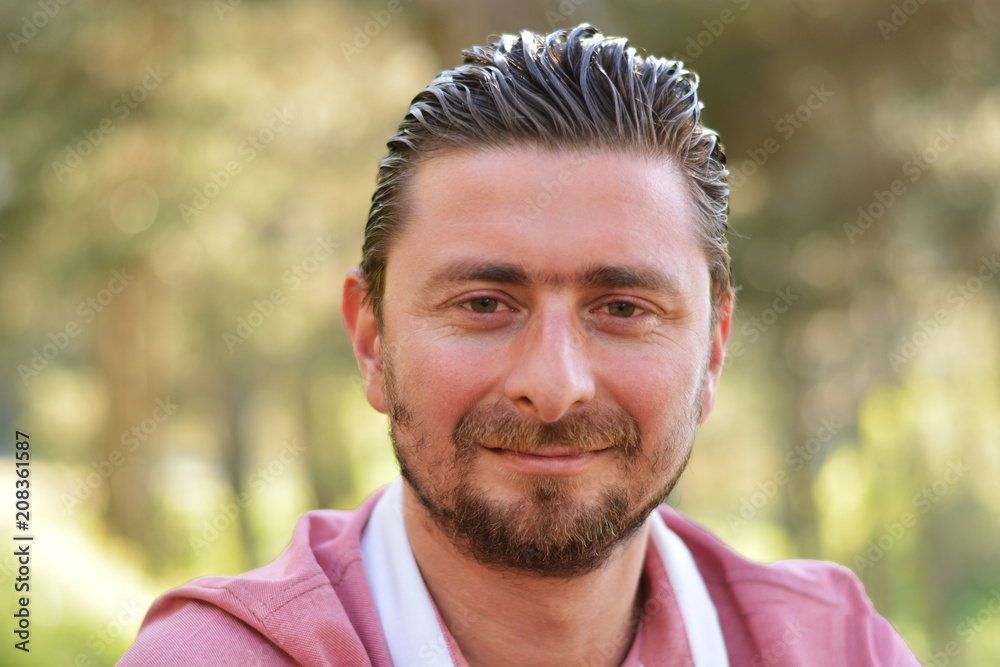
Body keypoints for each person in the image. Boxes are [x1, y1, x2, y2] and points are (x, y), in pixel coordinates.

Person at [120, 24, 920, 666]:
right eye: (483, 303)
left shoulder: (835, 646)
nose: (554, 383)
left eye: (621, 306)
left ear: (713, 349)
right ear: (371, 340)